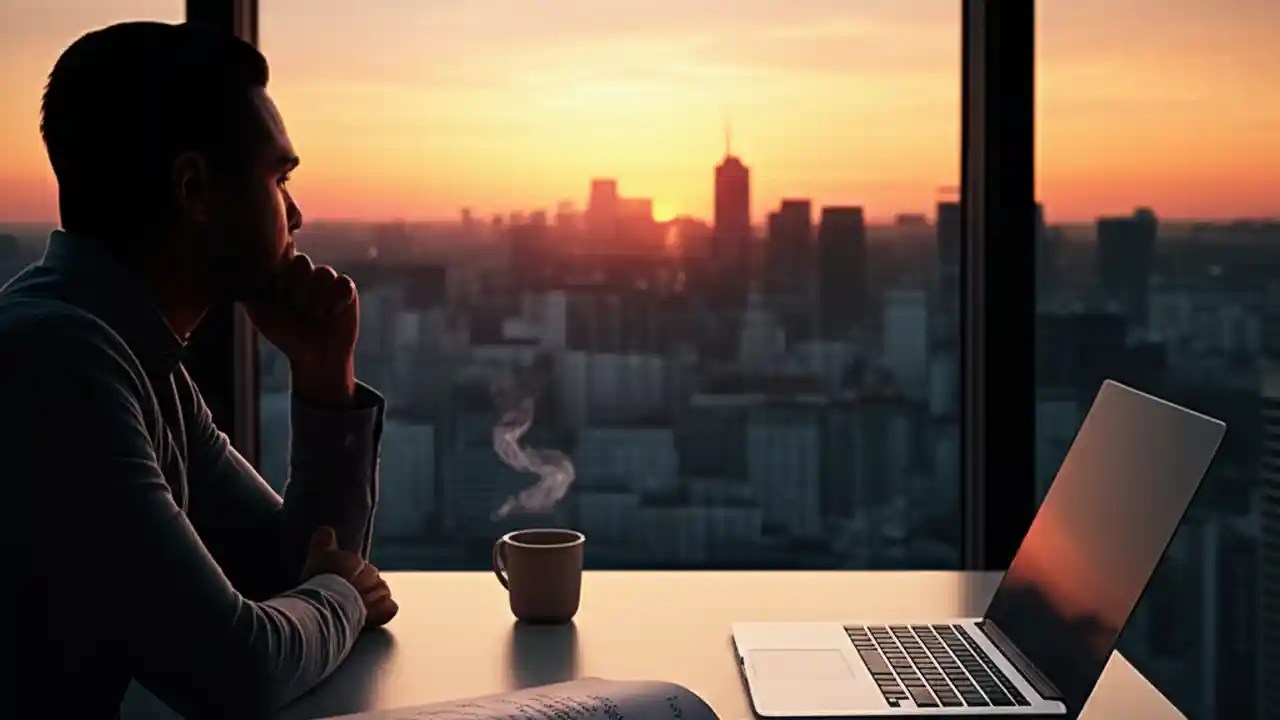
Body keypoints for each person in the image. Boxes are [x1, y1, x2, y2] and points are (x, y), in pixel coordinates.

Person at [0, 21, 398, 718]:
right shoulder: (60, 367)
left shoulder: (133, 357)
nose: (296, 214)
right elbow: (237, 669)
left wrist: (323, 381)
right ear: (195, 190)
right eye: (279, 179)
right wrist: (343, 597)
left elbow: (288, 568)